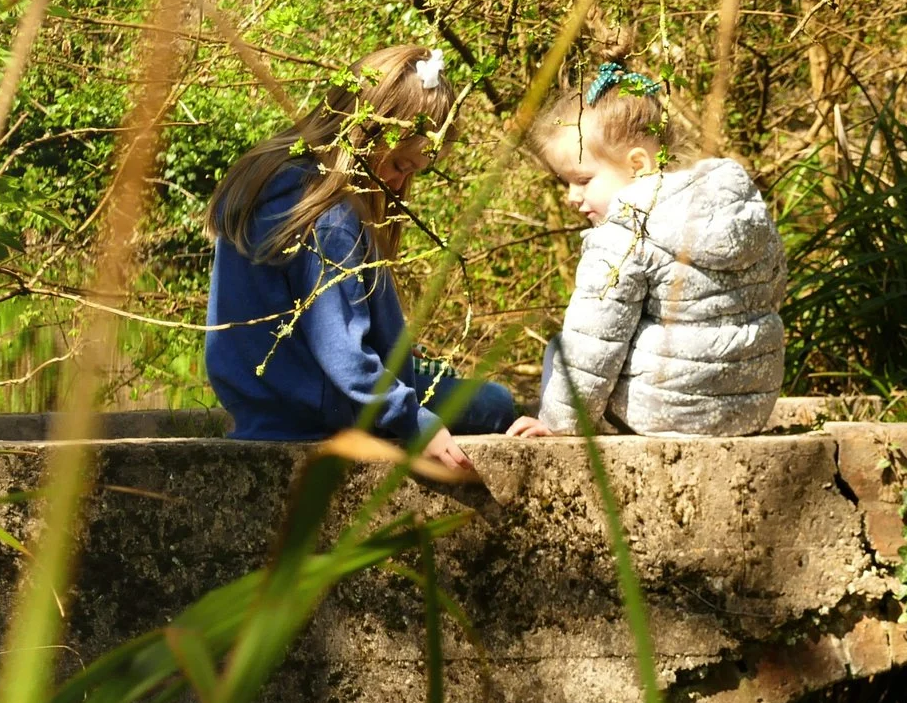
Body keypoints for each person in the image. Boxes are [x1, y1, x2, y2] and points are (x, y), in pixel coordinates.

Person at [204, 43, 515, 469]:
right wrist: (415, 420)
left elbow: (309, 320)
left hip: (262, 402)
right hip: (324, 408)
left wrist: (393, 347)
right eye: (401, 165)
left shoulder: (268, 176)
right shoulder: (328, 216)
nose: (400, 183)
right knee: (494, 403)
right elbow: (341, 351)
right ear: (366, 134)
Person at [508, 61, 785, 439]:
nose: (573, 198)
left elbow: (593, 341)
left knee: (563, 349)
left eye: (583, 180)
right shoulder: (741, 213)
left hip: (663, 412)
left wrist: (560, 423)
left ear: (637, 164)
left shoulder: (624, 231)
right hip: (748, 409)